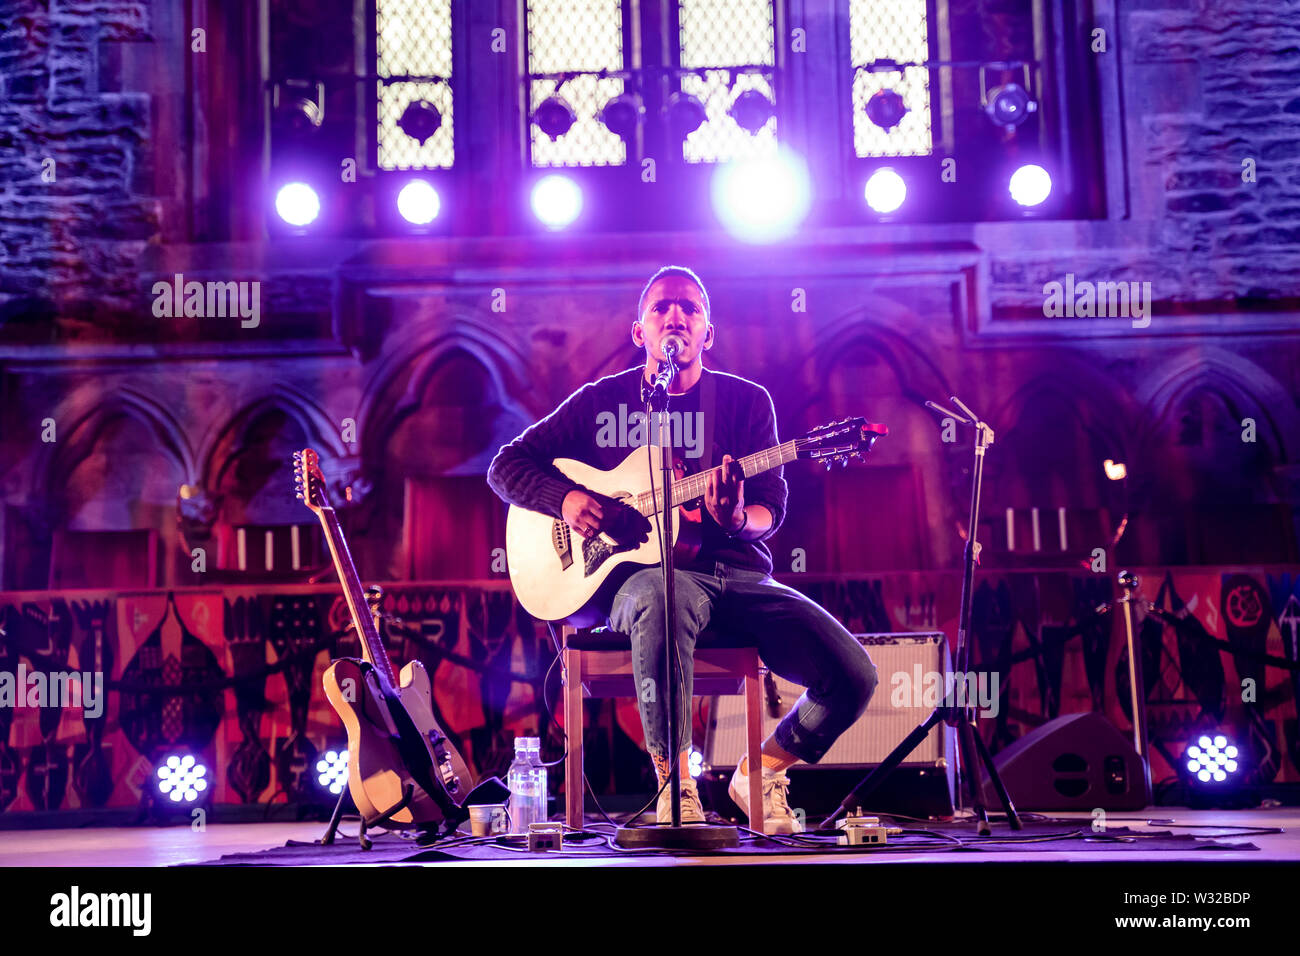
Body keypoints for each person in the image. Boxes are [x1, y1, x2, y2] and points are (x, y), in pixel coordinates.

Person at [486, 265, 878, 833]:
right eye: (663, 307)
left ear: (708, 334)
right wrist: (568, 499)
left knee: (853, 674)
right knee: (660, 594)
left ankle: (763, 768)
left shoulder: (746, 403)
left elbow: (772, 509)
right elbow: (505, 466)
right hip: (640, 582)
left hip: (739, 578)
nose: (677, 316)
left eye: (691, 309)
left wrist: (737, 518)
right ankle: (675, 786)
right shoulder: (602, 402)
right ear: (638, 331)